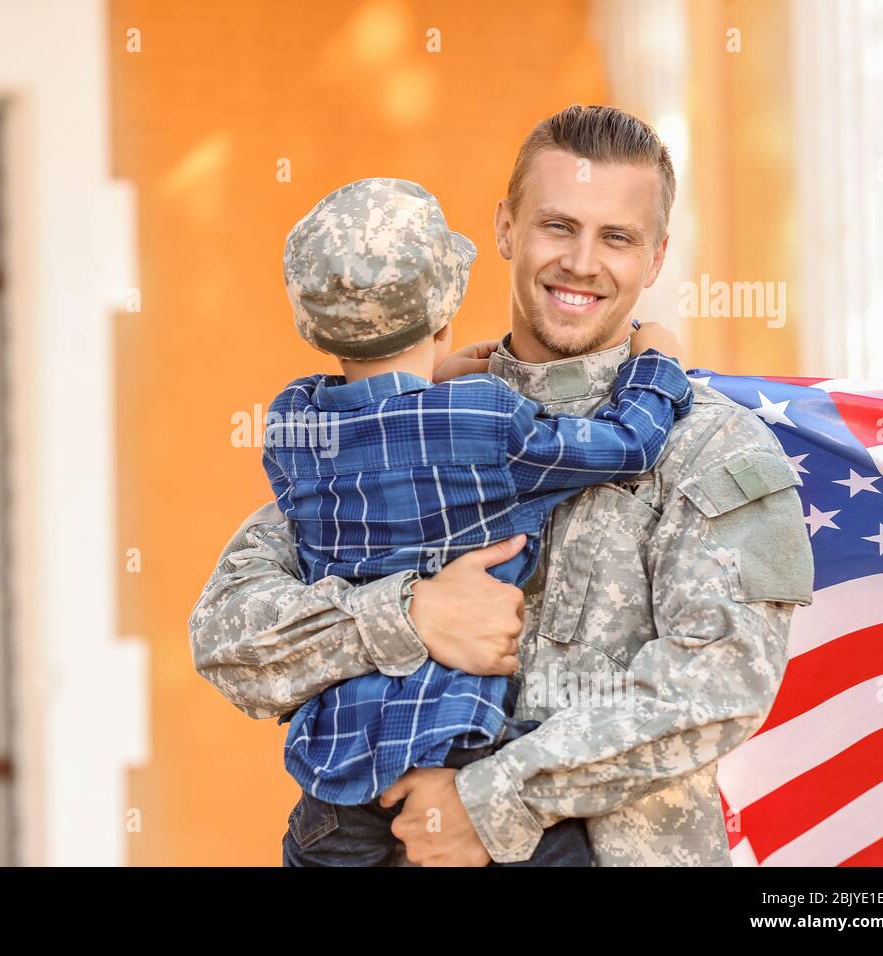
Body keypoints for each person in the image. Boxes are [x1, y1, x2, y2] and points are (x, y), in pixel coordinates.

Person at [189, 105, 814, 866]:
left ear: (654, 260)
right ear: (505, 229)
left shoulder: (709, 444)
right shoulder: (408, 421)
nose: (582, 262)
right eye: (558, 226)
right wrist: (407, 614)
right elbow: (228, 637)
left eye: (616, 237)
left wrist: (491, 801)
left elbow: (719, 682)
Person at [262, 177, 693, 866]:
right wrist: (659, 367)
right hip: (455, 753)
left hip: (334, 785)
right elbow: (627, 444)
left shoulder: (290, 422)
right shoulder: (486, 418)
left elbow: (368, 451)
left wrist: (423, 390)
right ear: (444, 314)